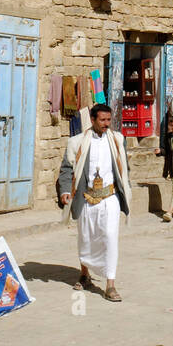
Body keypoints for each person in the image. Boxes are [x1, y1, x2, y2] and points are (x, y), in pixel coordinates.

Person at [58, 102, 131, 302]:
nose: (107, 124)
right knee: (87, 237)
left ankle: (110, 284)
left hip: (110, 198)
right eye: (103, 120)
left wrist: (127, 188)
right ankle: (85, 273)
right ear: (92, 120)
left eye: (109, 120)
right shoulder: (77, 142)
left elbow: (124, 167)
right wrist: (65, 190)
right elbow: (66, 169)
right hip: (87, 197)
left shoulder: (117, 140)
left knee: (109, 237)